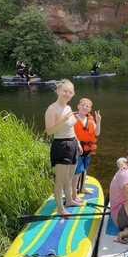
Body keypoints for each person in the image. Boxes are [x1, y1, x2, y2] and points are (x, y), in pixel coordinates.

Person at [45, 79, 83, 216]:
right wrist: (63, 120)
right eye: (65, 91)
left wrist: (77, 142)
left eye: (70, 92)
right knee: (60, 180)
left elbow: (71, 128)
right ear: (58, 91)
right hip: (61, 145)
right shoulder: (52, 109)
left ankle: (70, 200)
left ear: (73, 94)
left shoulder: (68, 107)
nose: (67, 94)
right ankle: (60, 208)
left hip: (72, 143)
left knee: (70, 177)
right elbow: (49, 131)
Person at [72, 98, 101, 202]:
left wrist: (98, 122)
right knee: (77, 171)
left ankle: (82, 188)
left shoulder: (91, 119)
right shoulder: (73, 118)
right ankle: (74, 194)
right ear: (78, 106)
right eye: (83, 105)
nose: (85, 107)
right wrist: (77, 143)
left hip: (88, 149)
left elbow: (97, 133)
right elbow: (70, 132)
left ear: (90, 109)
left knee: (84, 169)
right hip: (76, 148)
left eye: (87, 106)